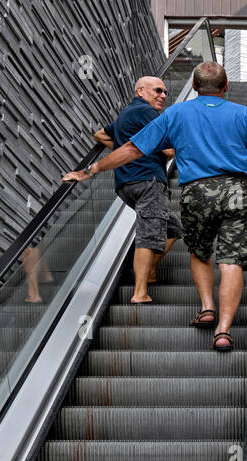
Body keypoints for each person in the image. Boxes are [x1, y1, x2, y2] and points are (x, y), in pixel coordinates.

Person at [63, 62, 247, 350]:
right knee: (231, 262)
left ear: (195, 87)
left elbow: (131, 149)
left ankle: (207, 307)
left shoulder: (176, 113)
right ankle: (223, 331)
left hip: (197, 192)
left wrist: (89, 170)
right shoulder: (243, 114)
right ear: (226, 87)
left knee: (200, 252)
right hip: (239, 191)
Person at [73, 76, 180, 304]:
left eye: (165, 92)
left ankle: (150, 272)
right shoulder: (146, 112)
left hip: (126, 183)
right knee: (148, 234)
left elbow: (100, 134)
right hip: (148, 180)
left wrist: (128, 148)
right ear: (141, 91)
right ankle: (139, 292)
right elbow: (170, 150)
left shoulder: (127, 114)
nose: (163, 96)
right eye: (158, 91)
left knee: (173, 227)